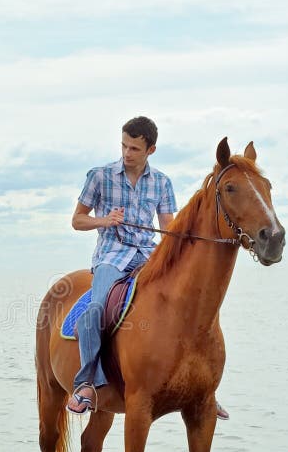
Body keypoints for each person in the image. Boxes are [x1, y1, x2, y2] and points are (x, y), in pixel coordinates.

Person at [66, 116, 229, 420]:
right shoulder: (100, 176)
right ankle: (86, 381)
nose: (127, 153)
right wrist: (105, 221)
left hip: (148, 257)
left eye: (135, 148)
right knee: (96, 309)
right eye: (124, 146)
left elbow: (168, 227)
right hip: (111, 256)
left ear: (150, 150)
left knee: (187, 305)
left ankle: (202, 389)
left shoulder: (162, 182)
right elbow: (77, 220)